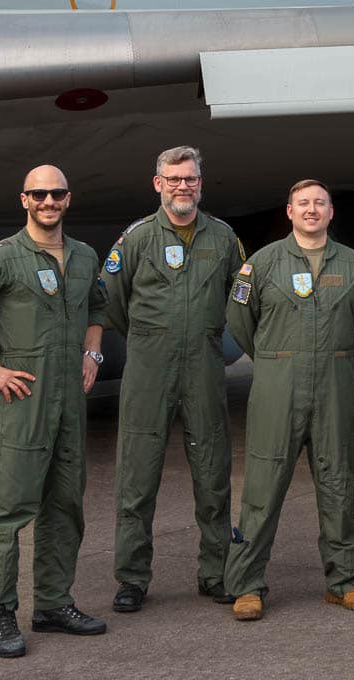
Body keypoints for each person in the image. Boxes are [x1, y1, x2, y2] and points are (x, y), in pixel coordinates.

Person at [0, 164, 108, 658]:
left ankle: (53, 603)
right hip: (22, 397)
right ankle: (0, 611)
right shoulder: (1, 258)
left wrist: (92, 354)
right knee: (8, 511)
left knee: (65, 505)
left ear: (68, 199)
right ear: (24, 200)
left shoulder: (84, 255)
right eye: (39, 194)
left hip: (69, 400)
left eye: (57, 194)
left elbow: (98, 307)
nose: (49, 201)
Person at [222, 179, 354, 621]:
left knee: (337, 485)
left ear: (331, 212)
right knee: (262, 488)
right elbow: (239, 320)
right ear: (289, 212)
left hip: (333, 384)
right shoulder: (263, 263)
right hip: (278, 386)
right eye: (303, 203)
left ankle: (343, 581)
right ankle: (247, 585)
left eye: (320, 203)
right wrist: (276, 359)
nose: (311, 210)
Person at [100, 146, 245, 613]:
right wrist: (152, 337)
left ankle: (216, 571)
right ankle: (132, 578)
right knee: (137, 476)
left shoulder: (223, 238)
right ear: (157, 183)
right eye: (174, 179)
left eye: (191, 179)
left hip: (202, 367)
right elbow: (112, 301)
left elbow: (238, 298)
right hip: (149, 367)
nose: (183, 186)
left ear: (201, 183)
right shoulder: (137, 238)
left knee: (213, 473)